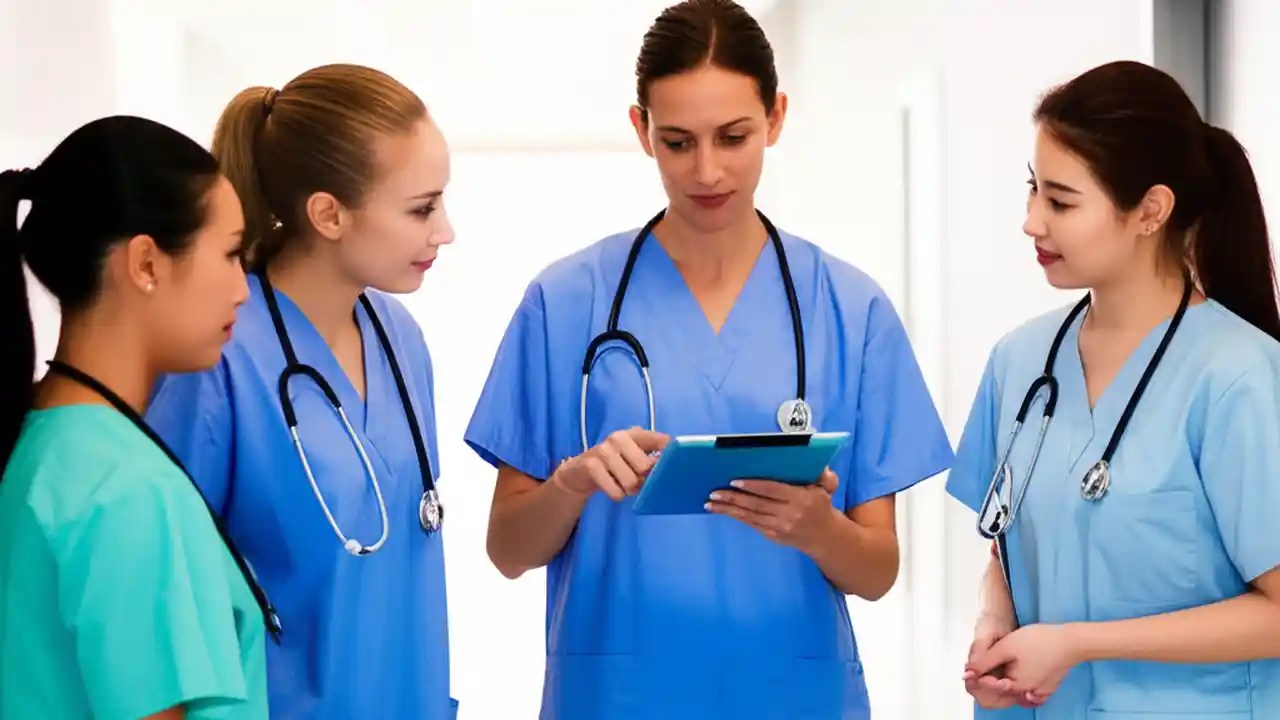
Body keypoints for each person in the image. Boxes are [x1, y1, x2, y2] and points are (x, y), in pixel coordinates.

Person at [464, 1, 954, 717]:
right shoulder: (567, 303)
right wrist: (572, 482)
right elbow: (508, 550)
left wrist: (817, 528)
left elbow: (878, 571)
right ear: (641, 131)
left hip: (792, 694)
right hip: (618, 697)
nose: (707, 170)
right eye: (677, 141)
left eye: (733, 137)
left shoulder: (850, 310)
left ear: (776, 118)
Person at [947, 60, 1280, 718]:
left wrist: (1077, 644)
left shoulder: (1239, 377)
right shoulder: (1020, 361)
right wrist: (995, 622)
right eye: (1032, 190)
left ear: (1150, 211)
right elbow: (1008, 548)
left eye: (1061, 201)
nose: (1031, 221)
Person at [144, 63, 458, 720]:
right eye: (422, 209)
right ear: (329, 214)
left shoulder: (401, 340)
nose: (444, 231)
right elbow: (165, 592)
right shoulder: (219, 354)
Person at [0, 115, 268, 719]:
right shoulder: (128, 492)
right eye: (229, 254)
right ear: (146, 263)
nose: (242, 289)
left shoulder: (47, 443)